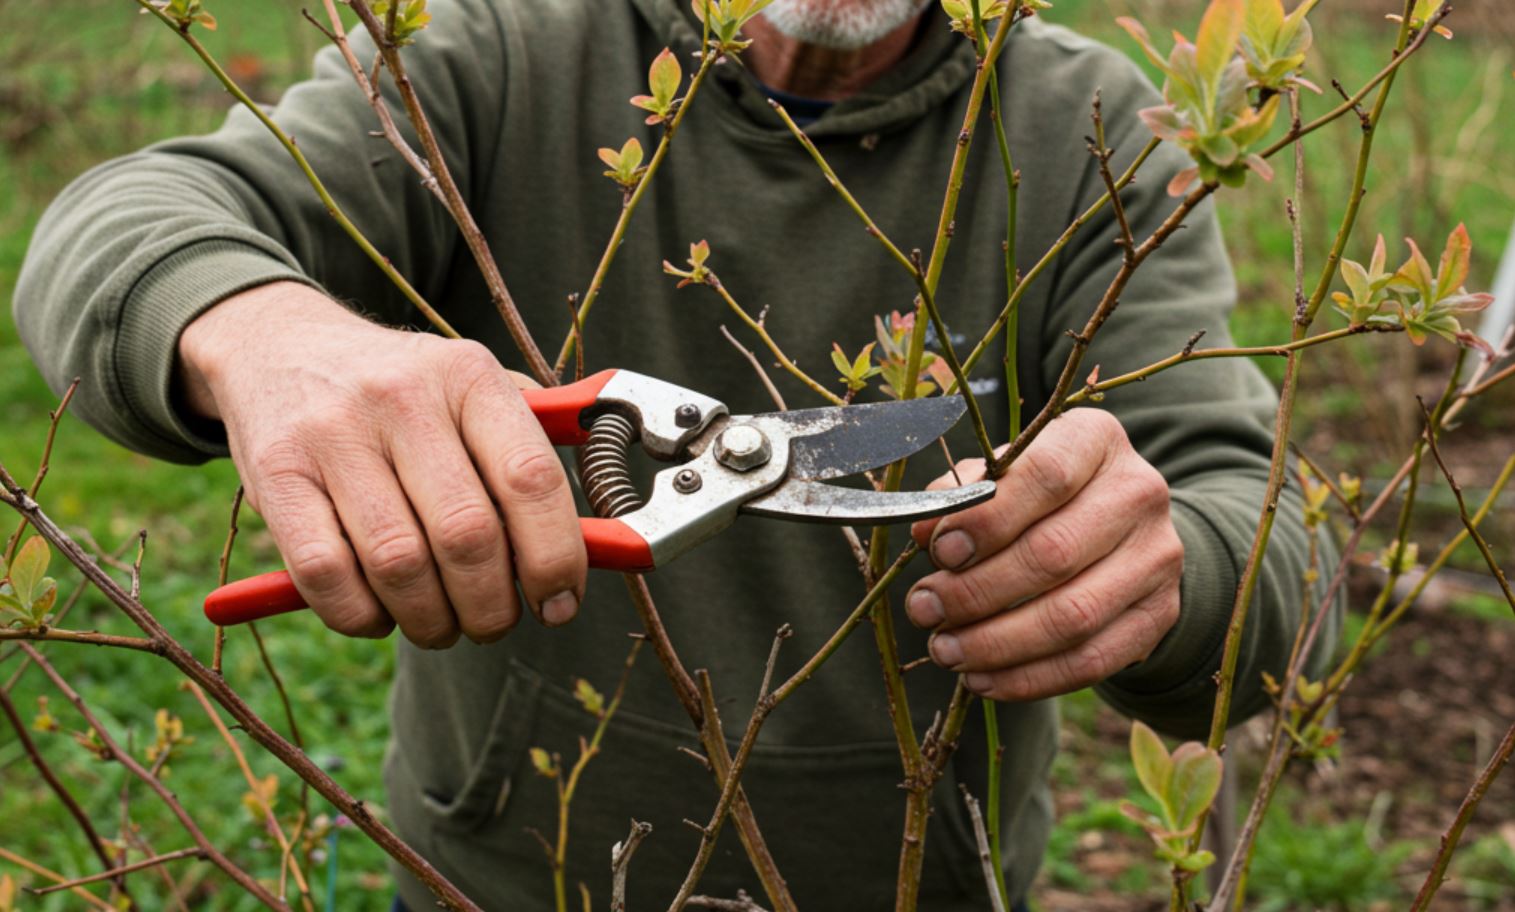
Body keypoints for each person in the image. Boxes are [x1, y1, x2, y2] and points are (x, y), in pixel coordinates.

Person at [14, 0, 1336, 908]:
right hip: (497, 885)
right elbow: (122, 220)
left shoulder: (1094, 129)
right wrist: (262, 332)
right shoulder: (501, 49)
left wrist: (1178, 574)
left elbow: (1263, 538)